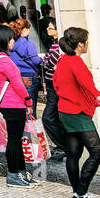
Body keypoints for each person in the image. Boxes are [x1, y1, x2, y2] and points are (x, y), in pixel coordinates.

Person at [52, 26, 100, 198]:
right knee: (97, 152)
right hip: (76, 113)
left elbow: (58, 84)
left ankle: (78, 193)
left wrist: (94, 97)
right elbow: (86, 83)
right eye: (86, 41)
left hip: (66, 110)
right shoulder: (75, 61)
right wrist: (98, 96)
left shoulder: (63, 60)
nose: (88, 44)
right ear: (80, 44)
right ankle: (80, 193)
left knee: (73, 154)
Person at [0, 23, 35, 188]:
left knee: (15, 140)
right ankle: (14, 174)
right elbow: (18, 84)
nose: (13, 41)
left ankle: (21, 173)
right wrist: (28, 100)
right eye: (11, 38)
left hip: (4, 102)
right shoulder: (5, 61)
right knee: (14, 140)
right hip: (14, 103)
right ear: (3, 40)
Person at [39, 18, 66, 161]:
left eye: (51, 28)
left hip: (55, 85)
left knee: (48, 117)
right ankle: (61, 145)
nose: (48, 30)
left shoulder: (57, 46)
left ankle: (63, 145)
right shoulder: (54, 44)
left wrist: (46, 60)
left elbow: (49, 62)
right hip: (51, 84)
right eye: (48, 28)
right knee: (52, 116)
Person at [8, 18, 44, 117]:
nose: (29, 31)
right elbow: (35, 61)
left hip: (16, 76)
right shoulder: (29, 44)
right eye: (28, 29)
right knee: (31, 107)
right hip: (29, 76)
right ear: (24, 30)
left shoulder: (11, 44)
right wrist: (42, 59)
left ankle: (23, 130)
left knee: (20, 105)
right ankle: (30, 130)